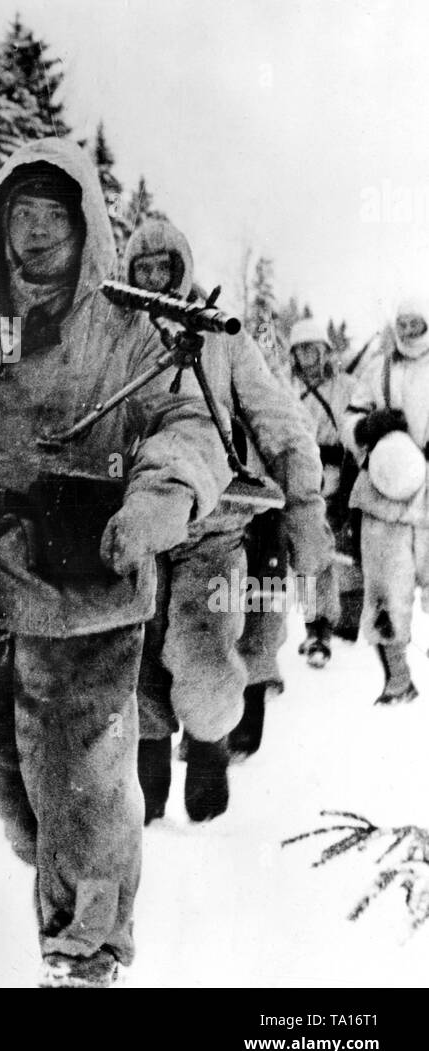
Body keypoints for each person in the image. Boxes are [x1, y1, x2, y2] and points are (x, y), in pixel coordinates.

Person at [0, 141, 230, 988]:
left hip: (90, 581)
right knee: (3, 777)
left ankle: (85, 949)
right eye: (24, 215)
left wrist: (160, 498)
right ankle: (64, 872)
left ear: (85, 224)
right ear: (0, 224)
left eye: (56, 215)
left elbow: (190, 428)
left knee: (81, 772)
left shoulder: (130, 330)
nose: (38, 233)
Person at [122, 222, 334, 810]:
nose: (155, 280)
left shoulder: (221, 337)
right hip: (135, 525)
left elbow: (278, 419)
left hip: (212, 527)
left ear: (183, 270)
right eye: (143, 269)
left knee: (206, 649)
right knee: (135, 653)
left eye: (166, 269)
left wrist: (303, 498)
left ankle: (210, 756)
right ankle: (147, 780)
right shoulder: (112, 332)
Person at [342, 298, 429, 706]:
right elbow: (349, 419)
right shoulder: (378, 368)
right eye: (404, 323)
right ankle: (397, 680)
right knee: (386, 592)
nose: (410, 330)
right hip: (384, 493)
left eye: (418, 323)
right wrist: (367, 427)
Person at [288, 318, 364, 648]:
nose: (308, 354)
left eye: (314, 348)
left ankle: (340, 623)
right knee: (308, 551)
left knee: (339, 550)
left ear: (325, 351)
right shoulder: (283, 385)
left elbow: (356, 427)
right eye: (301, 348)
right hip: (298, 472)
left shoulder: (346, 386)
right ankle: (314, 623)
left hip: (337, 471)